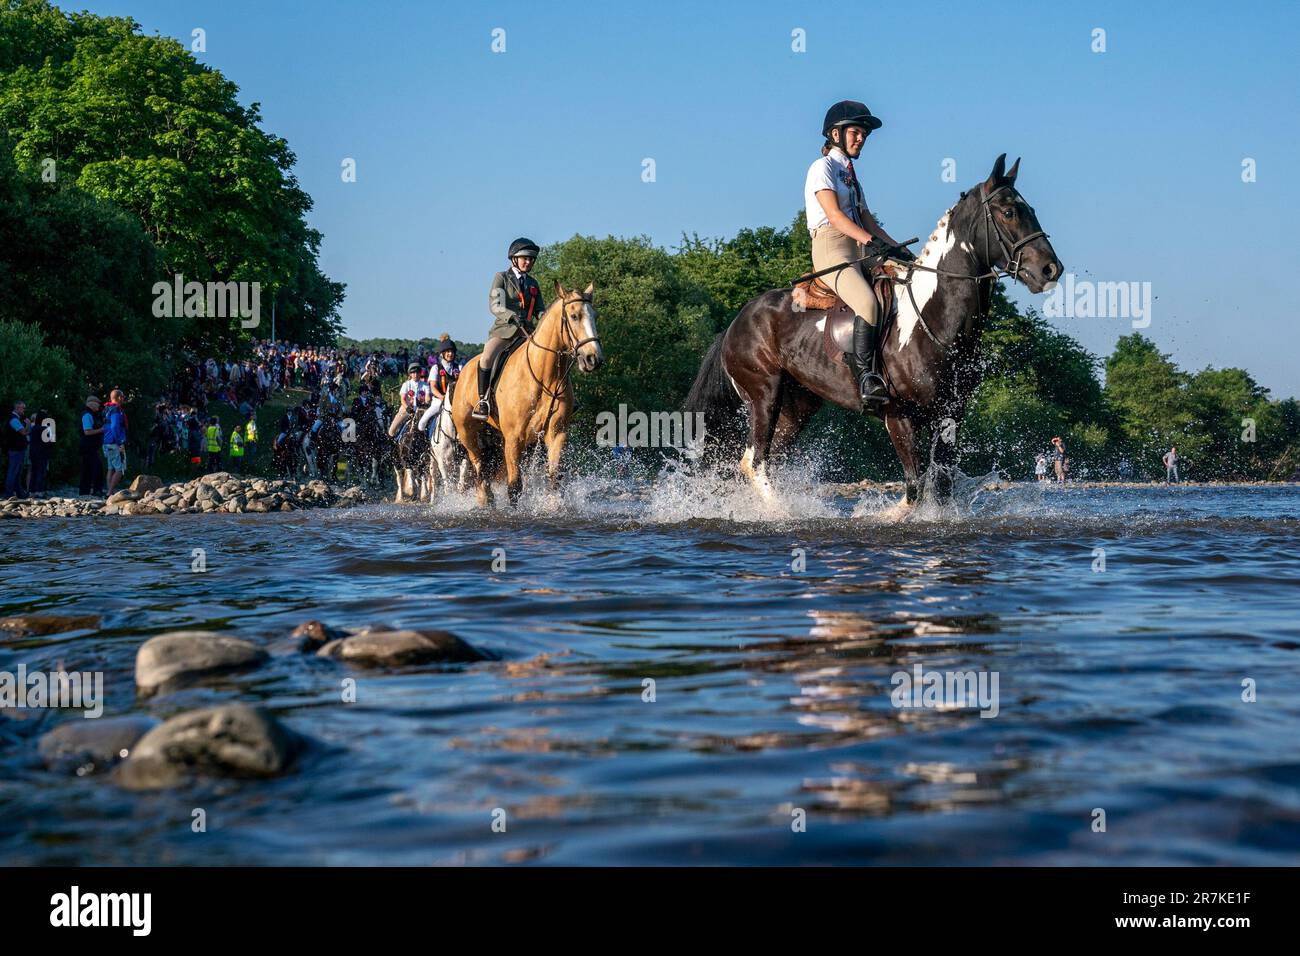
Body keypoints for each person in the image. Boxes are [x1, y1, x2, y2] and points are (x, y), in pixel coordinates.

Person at [805, 100, 913, 408]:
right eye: (855, 132)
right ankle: (867, 378)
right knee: (867, 303)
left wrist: (901, 251)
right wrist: (871, 241)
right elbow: (836, 217)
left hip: (860, 247)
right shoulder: (822, 168)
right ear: (836, 134)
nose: (861, 138)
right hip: (832, 248)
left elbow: (869, 222)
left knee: (909, 283)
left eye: (864, 133)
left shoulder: (850, 176)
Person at [475, 237, 544, 419]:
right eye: (524, 258)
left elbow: (540, 310)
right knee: (487, 357)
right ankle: (483, 400)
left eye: (531, 259)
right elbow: (495, 304)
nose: (528, 262)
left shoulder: (533, 284)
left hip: (528, 333)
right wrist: (510, 315)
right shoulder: (502, 278)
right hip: (504, 330)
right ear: (514, 259)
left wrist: (545, 318)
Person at [419, 339, 461, 437]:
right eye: (448, 352)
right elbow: (433, 387)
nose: (450, 354)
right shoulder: (436, 368)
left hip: (455, 402)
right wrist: (443, 398)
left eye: (452, 352)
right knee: (422, 422)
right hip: (439, 402)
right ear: (443, 353)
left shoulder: (458, 367)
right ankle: (425, 443)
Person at [387, 363, 427, 437]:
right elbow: (403, 399)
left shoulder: (425, 385)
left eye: (417, 372)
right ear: (410, 374)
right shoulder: (406, 384)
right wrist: (408, 408)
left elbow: (428, 398)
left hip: (421, 411)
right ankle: (392, 444)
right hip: (407, 409)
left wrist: (426, 401)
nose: (416, 374)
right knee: (391, 431)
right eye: (413, 373)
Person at [101, 388, 128, 495]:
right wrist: (119, 442)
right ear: (118, 398)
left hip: (107, 442)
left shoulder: (107, 409)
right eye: (122, 396)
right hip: (115, 443)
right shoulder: (116, 410)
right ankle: (110, 492)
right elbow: (114, 426)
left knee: (110, 468)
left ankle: (109, 492)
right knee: (120, 469)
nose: (123, 398)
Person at [79, 396, 106, 496]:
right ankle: (96, 490)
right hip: (88, 447)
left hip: (89, 446)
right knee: (97, 468)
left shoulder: (92, 415)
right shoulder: (87, 415)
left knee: (87, 469)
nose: (99, 405)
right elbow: (87, 431)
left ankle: (84, 491)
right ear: (91, 403)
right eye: (97, 403)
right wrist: (102, 430)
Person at [4, 400, 28, 498]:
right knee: (13, 471)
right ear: (17, 408)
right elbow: (23, 432)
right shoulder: (14, 419)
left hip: (18, 449)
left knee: (17, 472)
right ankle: (9, 493)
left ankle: (19, 493)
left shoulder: (17, 419)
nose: (24, 410)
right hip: (15, 449)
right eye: (23, 408)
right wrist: (29, 424)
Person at [27, 407, 53, 498]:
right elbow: (49, 442)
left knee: (34, 471)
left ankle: (32, 491)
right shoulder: (45, 429)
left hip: (33, 453)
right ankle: (39, 491)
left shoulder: (34, 428)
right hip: (42, 453)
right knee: (41, 472)